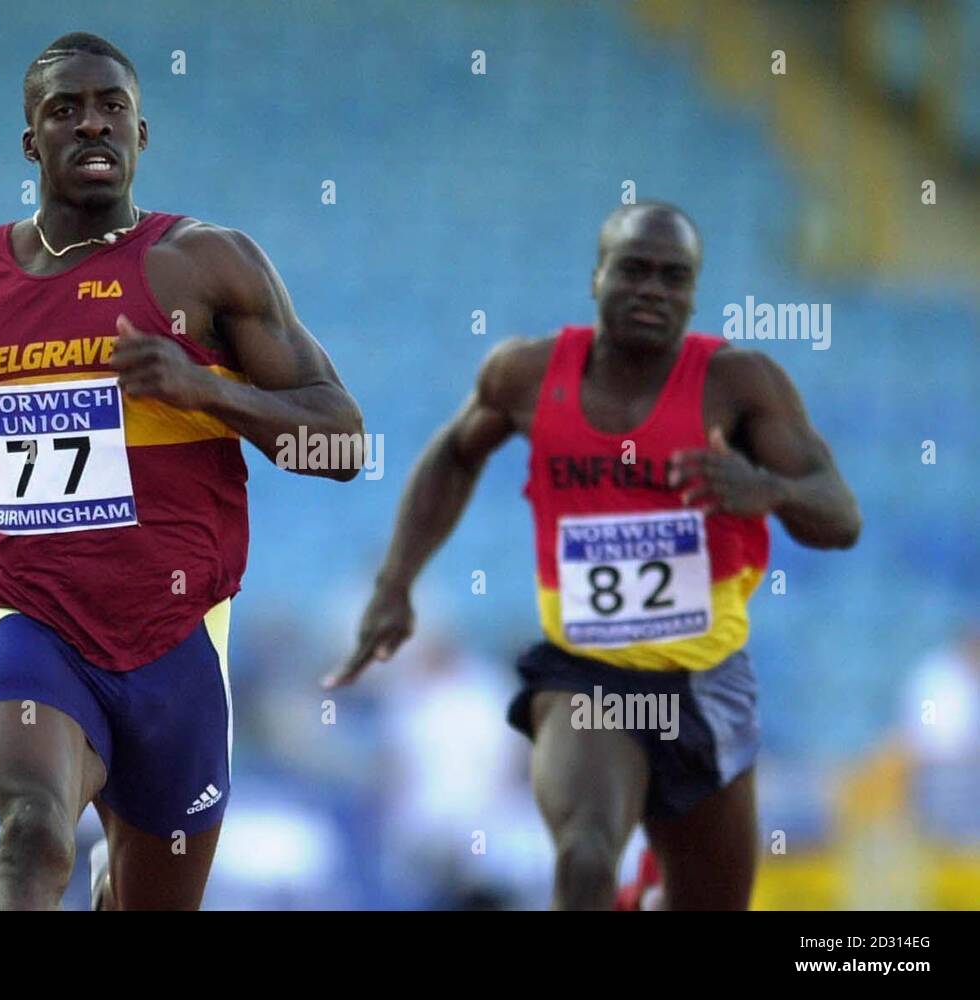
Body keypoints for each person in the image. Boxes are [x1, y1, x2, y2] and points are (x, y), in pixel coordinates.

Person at [0, 32, 363, 911]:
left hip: (175, 637)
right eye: (65, 109)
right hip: (29, 619)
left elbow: (341, 446)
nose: (91, 124)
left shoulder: (207, 265)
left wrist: (203, 391)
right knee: (32, 834)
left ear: (143, 133)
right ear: (32, 141)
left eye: (111, 107)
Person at [328, 202, 860, 910]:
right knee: (584, 858)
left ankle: (647, 895)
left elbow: (840, 518)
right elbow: (454, 456)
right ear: (597, 276)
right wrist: (396, 585)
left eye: (675, 278)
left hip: (705, 686)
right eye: (634, 270)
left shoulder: (738, 385)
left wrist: (766, 488)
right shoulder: (526, 375)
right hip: (587, 677)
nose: (653, 290)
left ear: (694, 292)